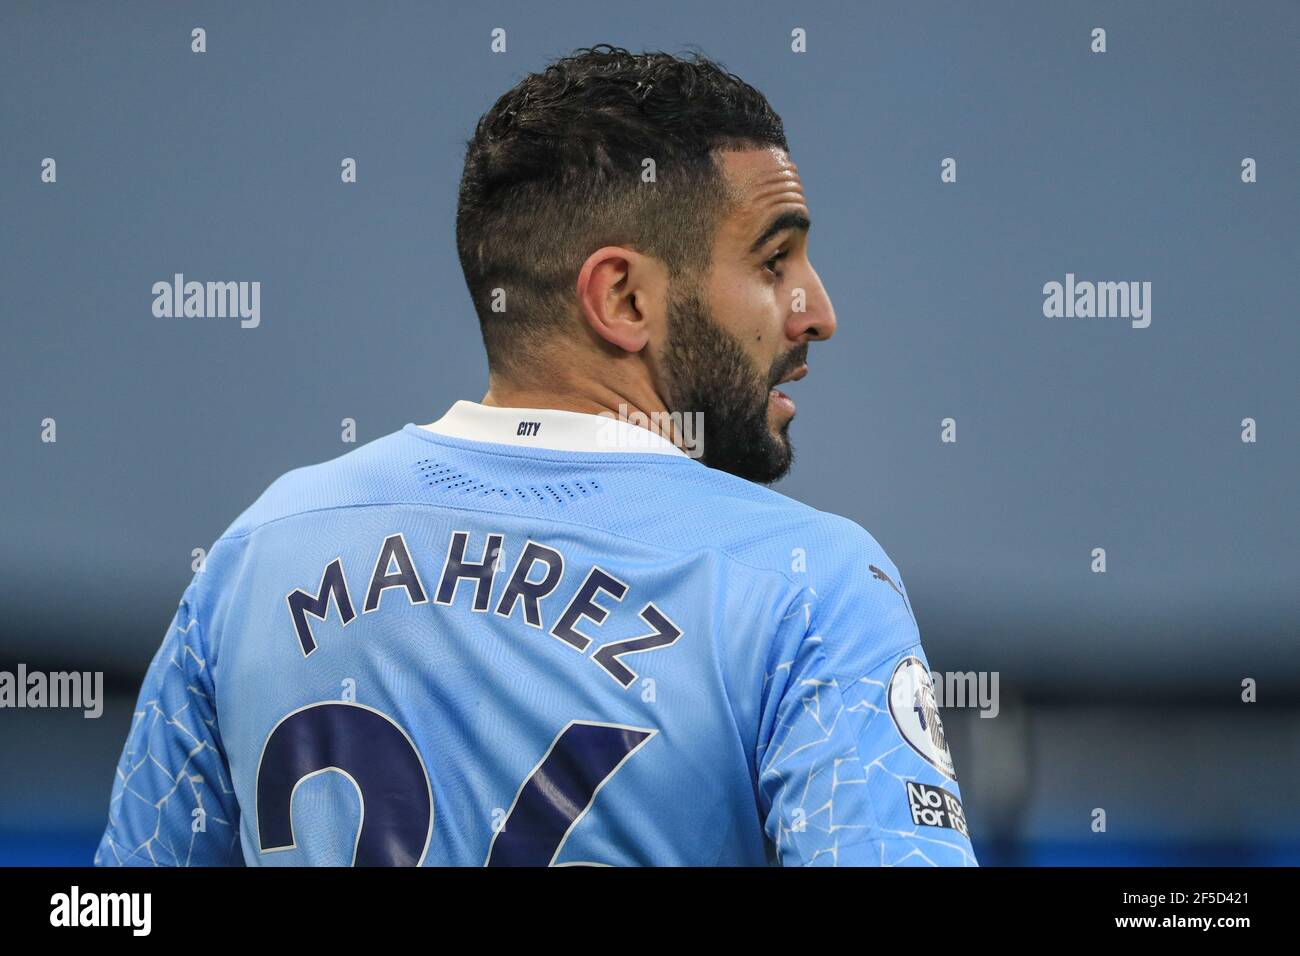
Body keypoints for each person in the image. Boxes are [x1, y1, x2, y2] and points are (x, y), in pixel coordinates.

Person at [95, 45, 976, 866]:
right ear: (623, 298)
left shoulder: (259, 550)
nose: (816, 310)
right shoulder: (808, 585)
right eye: (775, 257)